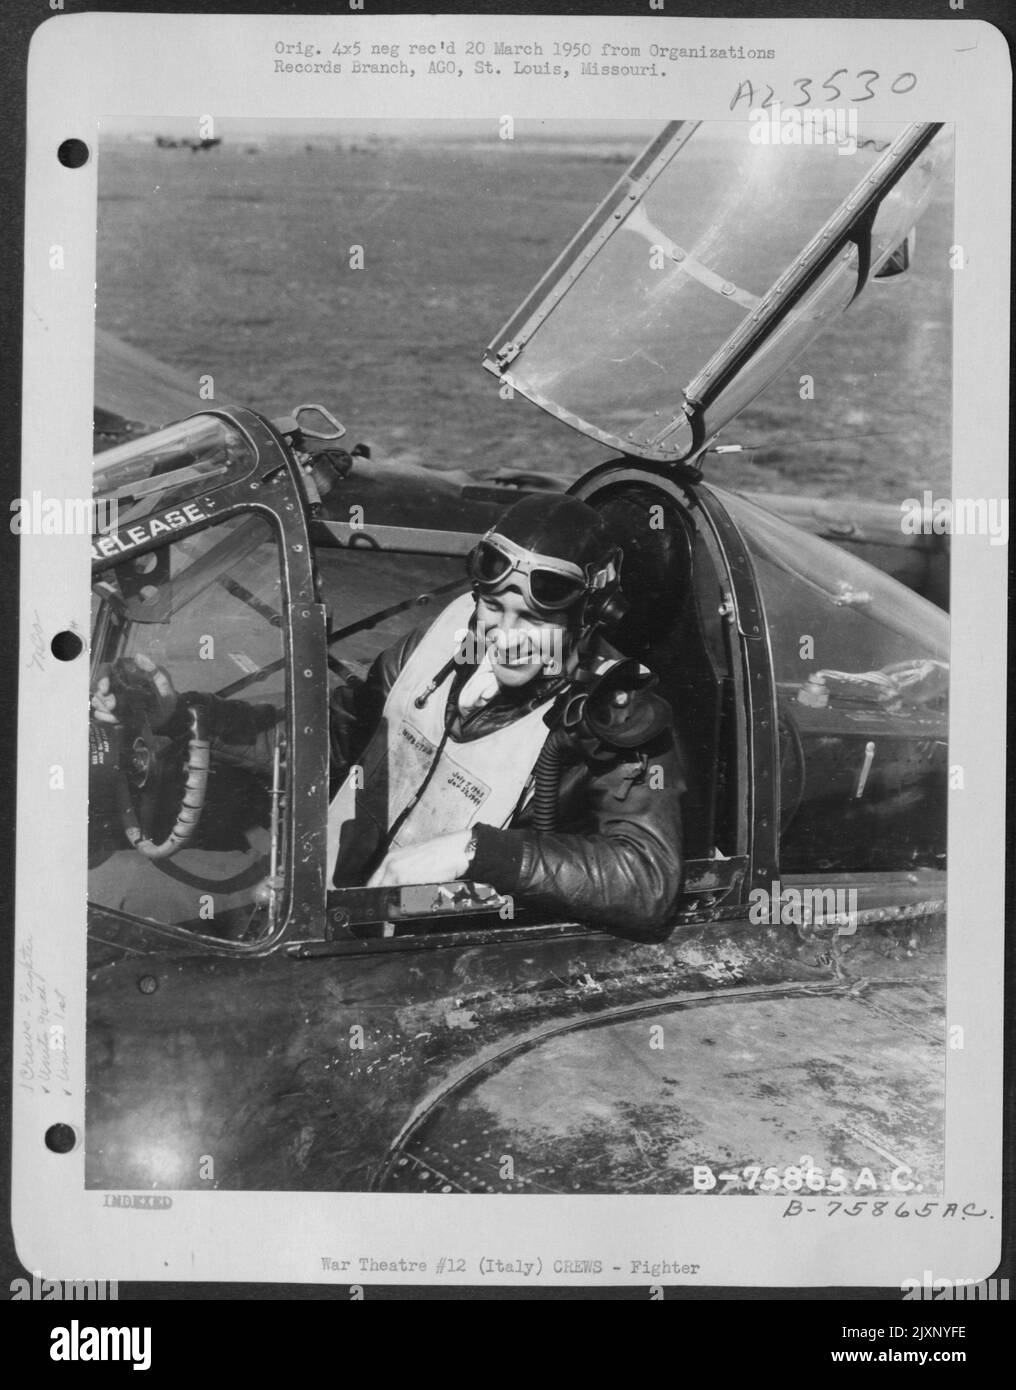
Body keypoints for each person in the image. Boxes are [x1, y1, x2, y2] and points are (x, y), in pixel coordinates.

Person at [326, 494, 686, 942]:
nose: (507, 640)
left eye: (536, 619)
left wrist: (475, 850)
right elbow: (341, 730)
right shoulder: (448, 637)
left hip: (441, 950)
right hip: (329, 909)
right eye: (495, 608)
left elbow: (646, 880)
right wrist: (225, 727)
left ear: (588, 619)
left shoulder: (615, 711)